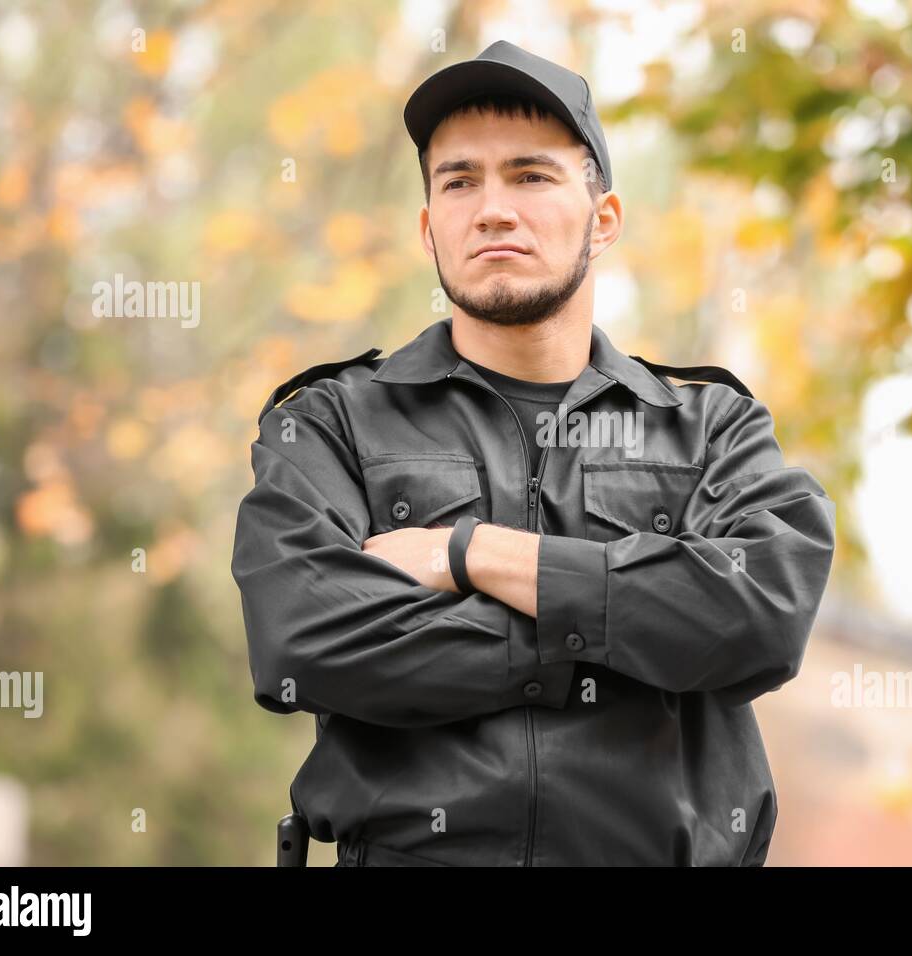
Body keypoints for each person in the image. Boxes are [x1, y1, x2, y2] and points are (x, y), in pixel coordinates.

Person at [231, 40, 835, 866]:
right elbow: (302, 641)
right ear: (428, 226)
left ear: (605, 218)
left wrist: (472, 554)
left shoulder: (707, 429)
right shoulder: (333, 424)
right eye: (460, 181)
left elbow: (761, 614)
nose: (492, 209)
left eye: (531, 175)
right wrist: (619, 633)